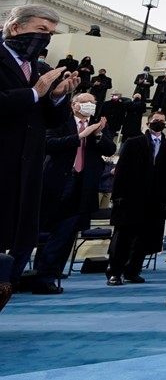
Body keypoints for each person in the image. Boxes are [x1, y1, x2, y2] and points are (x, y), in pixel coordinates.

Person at [1, 5, 80, 286]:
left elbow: (49, 120)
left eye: (51, 33)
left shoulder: (40, 68)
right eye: (41, 30)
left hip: (26, 171)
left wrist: (58, 96)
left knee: (14, 243)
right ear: (15, 28)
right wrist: (34, 93)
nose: (46, 38)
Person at [22, 92, 115, 293]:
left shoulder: (99, 125)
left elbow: (109, 149)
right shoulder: (60, 121)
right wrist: (79, 136)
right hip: (54, 184)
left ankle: (47, 278)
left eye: (93, 102)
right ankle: (18, 275)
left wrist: (98, 135)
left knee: (64, 236)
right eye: (85, 102)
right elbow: (48, 144)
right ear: (74, 105)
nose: (89, 105)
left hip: (82, 187)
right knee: (35, 232)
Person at [107, 111, 166, 286]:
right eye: (155, 121)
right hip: (131, 198)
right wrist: (118, 196)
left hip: (155, 200)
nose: (158, 123)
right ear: (148, 123)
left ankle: (133, 271)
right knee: (123, 237)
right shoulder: (133, 143)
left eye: (162, 121)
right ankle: (115, 272)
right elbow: (121, 172)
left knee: (144, 238)